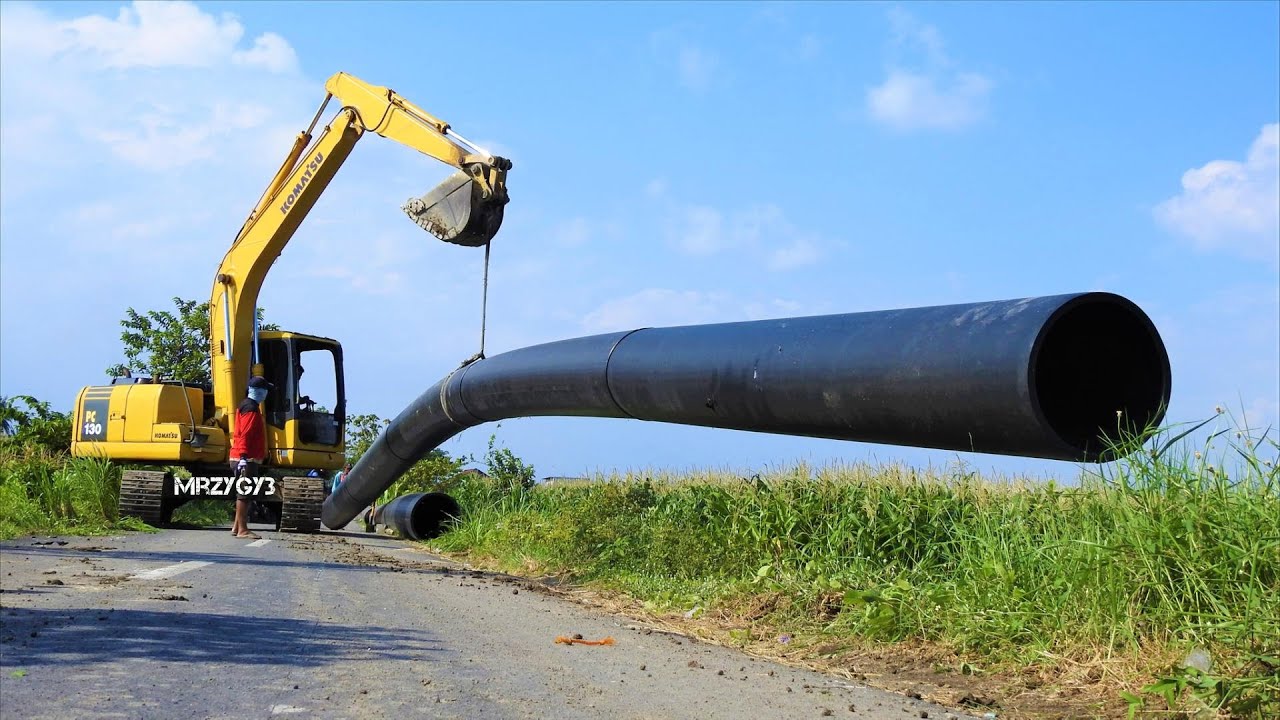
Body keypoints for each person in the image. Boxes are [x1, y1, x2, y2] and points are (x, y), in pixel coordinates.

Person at [229, 376, 271, 539]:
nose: (266, 393)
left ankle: (236, 527)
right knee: (244, 493)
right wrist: (244, 457)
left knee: (244, 493)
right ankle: (243, 530)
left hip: (243, 456)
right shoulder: (251, 408)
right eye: (265, 390)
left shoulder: (247, 405)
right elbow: (245, 434)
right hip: (246, 458)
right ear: (259, 391)